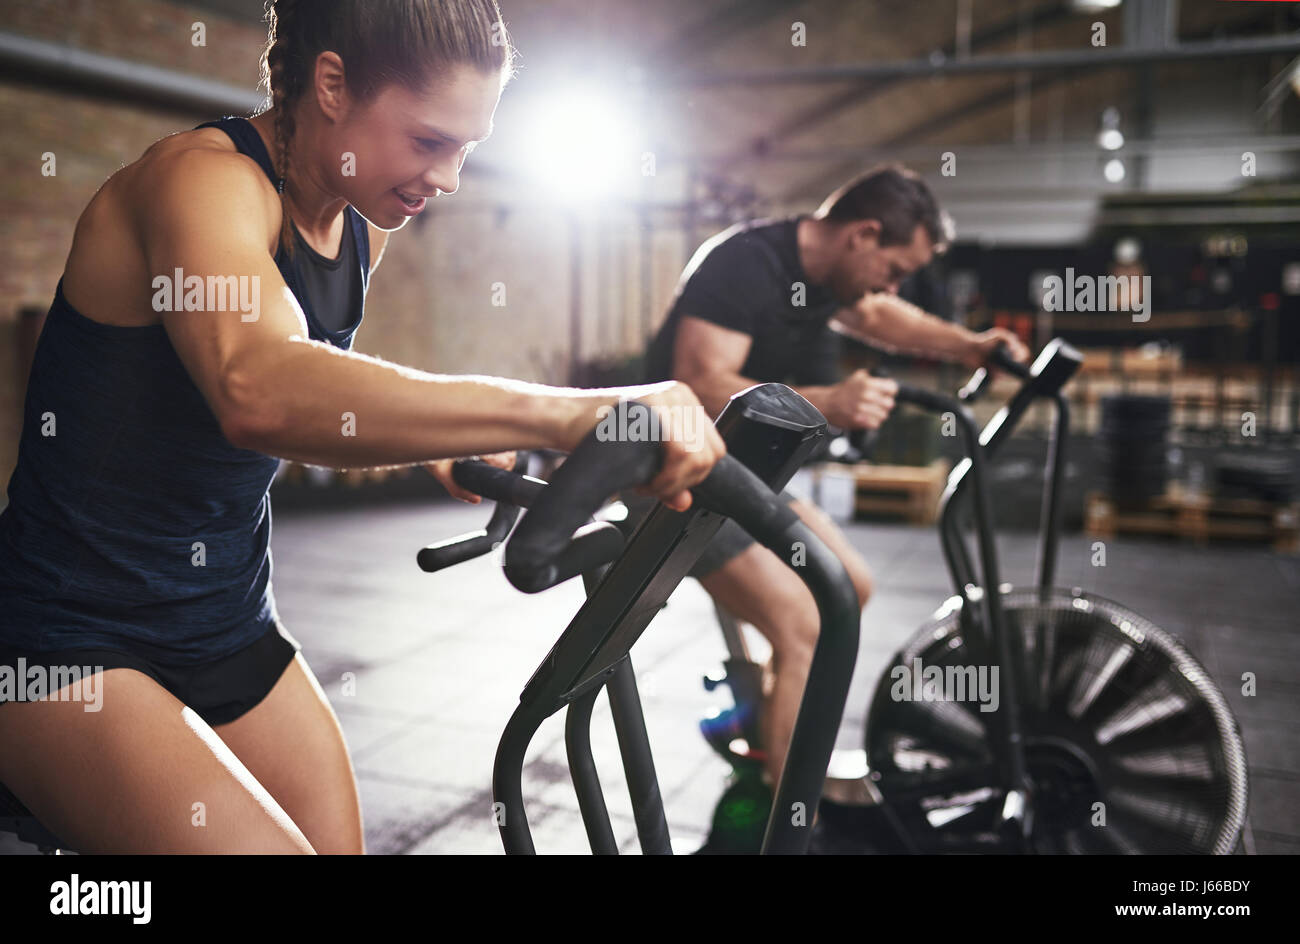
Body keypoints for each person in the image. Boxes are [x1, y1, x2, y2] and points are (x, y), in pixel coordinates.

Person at [0, 0, 722, 854]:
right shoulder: (199, 180)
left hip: (225, 618)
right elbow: (255, 388)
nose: (450, 177)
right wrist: (564, 409)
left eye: (468, 149)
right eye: (429, 142)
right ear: (332, 84)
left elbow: (325, 404)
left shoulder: (355, 232)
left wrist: (441, 436)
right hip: (66, 636)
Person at [632, 165, 1030, 786]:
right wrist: (829, 402)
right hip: (669, 478)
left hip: (737, 477)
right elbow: (700, 385)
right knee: (806, 624)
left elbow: (880, 317)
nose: (891, 285)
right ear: (863, 235)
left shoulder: (825, 278)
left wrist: (971, 346)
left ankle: (770, 724)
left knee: (851, 586)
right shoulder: (746, 264)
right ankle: (790, 816)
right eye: (894, 269)